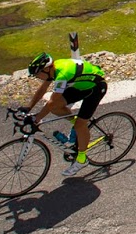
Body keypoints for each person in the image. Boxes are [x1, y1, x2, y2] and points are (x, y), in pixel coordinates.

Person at [21, 45, 107, 176]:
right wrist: (28, 107)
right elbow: (43, 90)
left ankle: (82, 158)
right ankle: (78, 128)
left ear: (46, 69)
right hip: (80, 85)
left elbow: (51, 102)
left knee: (79, 124)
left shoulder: (62, 74)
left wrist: (36, 118)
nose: (37, 77)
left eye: (37, 74)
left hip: (96, 87)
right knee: (57, 107)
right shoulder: (53, 69)